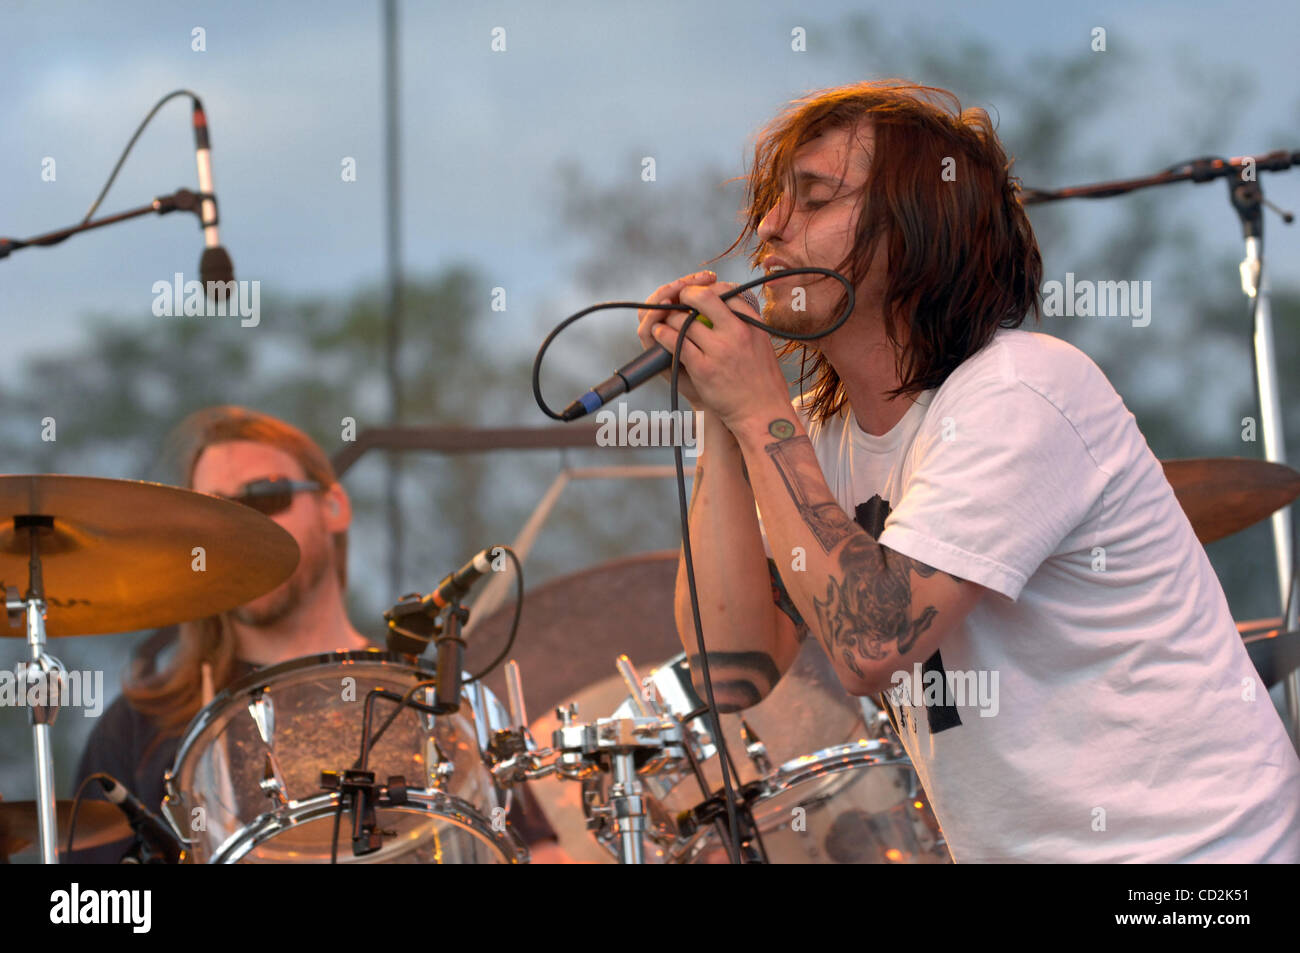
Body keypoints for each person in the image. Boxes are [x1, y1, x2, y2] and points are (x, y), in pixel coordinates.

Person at [636, 80, 1300, 863]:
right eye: (772, 204)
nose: (771, 227)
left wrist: (758, 416)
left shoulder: (1020, 390)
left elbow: (875, 638)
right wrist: (724, 417)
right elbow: (728, 674)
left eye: (813, 198)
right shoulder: (812, 435)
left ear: (916, 228)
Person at [71, 406, 565, 863]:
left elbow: (539, 856)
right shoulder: (140, 728)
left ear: (334, 505)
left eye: (265, 497)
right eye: (214, 512)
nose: (241, 530)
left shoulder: (437, 702)